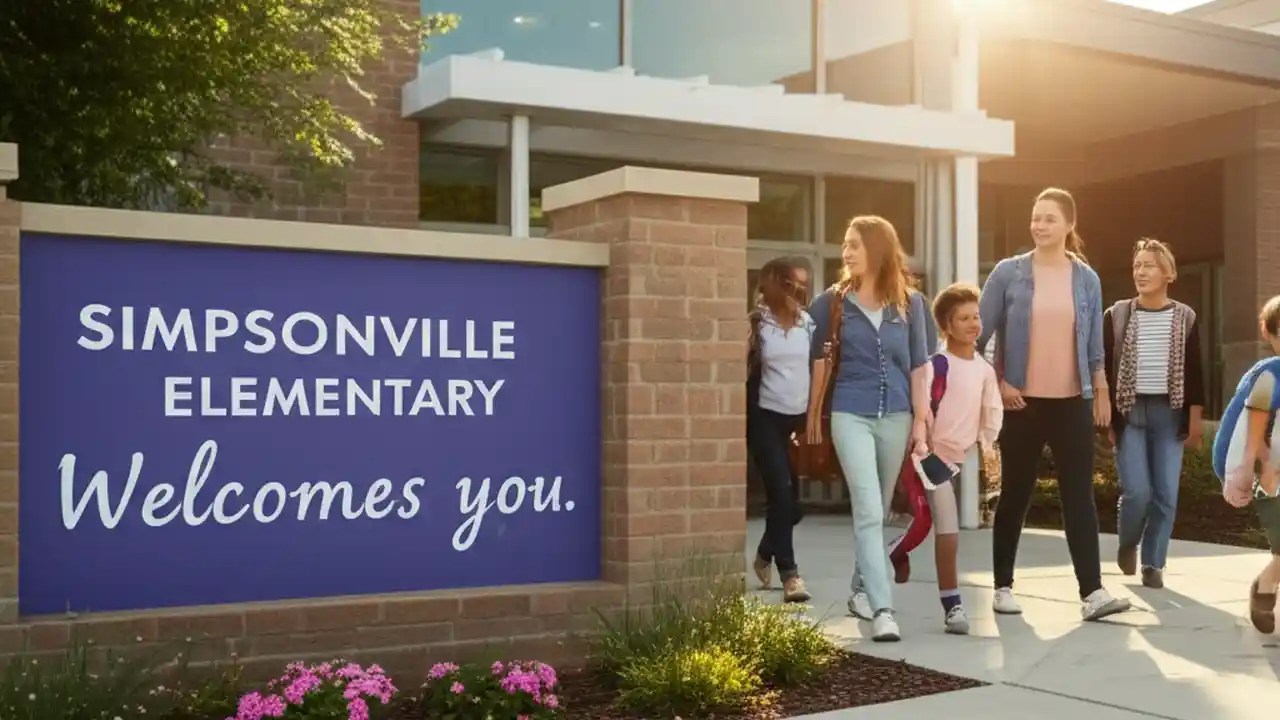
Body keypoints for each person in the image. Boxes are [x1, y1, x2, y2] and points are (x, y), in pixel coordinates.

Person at [977, 187, 1131, 621]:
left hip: (1071, 402)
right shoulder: (1008, 274)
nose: (1039, 225)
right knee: (1015, 495)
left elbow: (1095, 348)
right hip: (1021, 403)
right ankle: (1003, 586)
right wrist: (1000, 382)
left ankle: (1092, 593)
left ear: (1069, 225)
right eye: (1035, 217)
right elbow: (978, 335)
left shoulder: (1086, 278)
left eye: (1049, 218)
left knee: (1078, 496)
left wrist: (1099, 393)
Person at [808, 215, 931, 642]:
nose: (846, 252)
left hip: (896, 413)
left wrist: (922, 419)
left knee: (878, 509)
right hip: (850, 412)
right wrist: (810, 418)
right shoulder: (831, 303)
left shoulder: (911, 305)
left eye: (855, 244)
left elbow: (918, 365)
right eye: (845, 245)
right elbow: (819, 363)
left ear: (877, 249)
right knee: (867, 509)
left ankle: (860, 590)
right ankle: (883, 608)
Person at [886, 283, 1003, 635]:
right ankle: (953, 607)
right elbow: (920, 406)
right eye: (963, 318)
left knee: (924, 524)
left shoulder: (983, 369)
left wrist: (987, 446)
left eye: (976, 316)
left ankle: (895, 552)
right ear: (946, 327)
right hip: (927, 454)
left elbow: (991, 411)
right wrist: (922, 444)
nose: (973, 324)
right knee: (944, 528)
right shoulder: (938, 365)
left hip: (955, 459)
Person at [1103, 238, 1205, 589]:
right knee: (1136, 492)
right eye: (1137, 266)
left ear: (1168, 273)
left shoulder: (1185, 317)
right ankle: (1127, 542)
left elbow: (1195, 372)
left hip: (1169, 412)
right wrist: (1105, 413)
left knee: (1165, 493)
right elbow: (1103, 368)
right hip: (1128, 411)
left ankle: (1153, 563)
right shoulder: (1116, 315)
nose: (1140, 272)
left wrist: (1194, 422)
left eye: (1149, 266)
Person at [747, 256, 815, 603]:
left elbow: (816, 369)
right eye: (789, 283)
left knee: (792, 506)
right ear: (771, 284)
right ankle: (790, 575)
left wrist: (813, 418)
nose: (797, 291)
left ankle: (764, 552)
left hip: (796, 419)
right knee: (781, 494)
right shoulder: (758, 324)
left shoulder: (807, 324)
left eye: (802, 284)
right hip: (765, 418)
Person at [1214, 295, 1280, 635]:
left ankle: (1265, 586)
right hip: (1254, 462)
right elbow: (1257, 420)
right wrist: (1263, 466)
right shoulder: (1271, 372)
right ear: (1269, 335)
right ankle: (1265, 587)